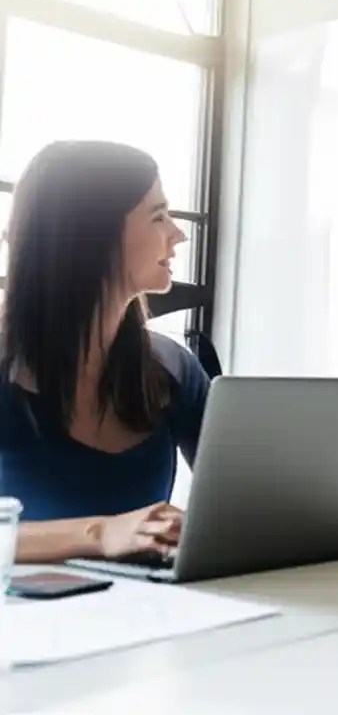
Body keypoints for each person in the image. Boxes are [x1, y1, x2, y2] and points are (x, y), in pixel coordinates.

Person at [0, 141, 209, 564]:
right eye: (158, 216)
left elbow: (246, 499)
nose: (178, 233)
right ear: (93, 234)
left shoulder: (171, 367)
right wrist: (100, 532)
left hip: (152, 602)